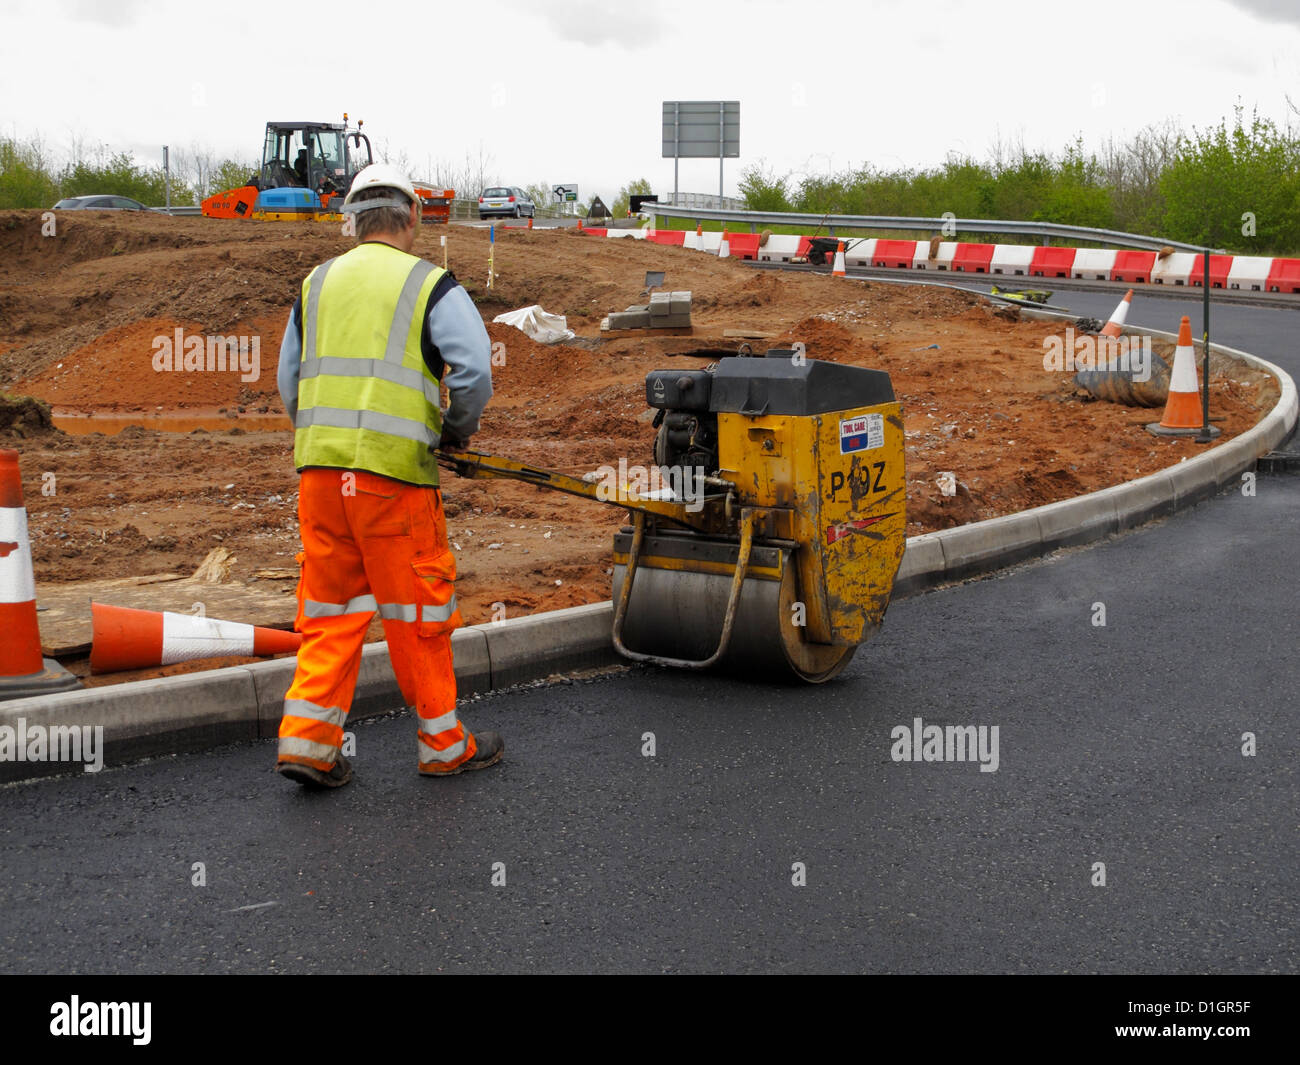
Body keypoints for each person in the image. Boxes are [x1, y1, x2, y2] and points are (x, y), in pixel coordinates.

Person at [274, 163, 500, 789]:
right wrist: (455, 429)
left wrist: (323, 439)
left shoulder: (314, 284)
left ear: (352, 221)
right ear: (414, 219)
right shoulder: (430, 283)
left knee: (330, 611)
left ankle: (309, 744)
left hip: (320, 479)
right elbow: (474, 372)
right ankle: (444, 745)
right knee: (416, 615)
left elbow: (288, 382)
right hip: (393, 481)